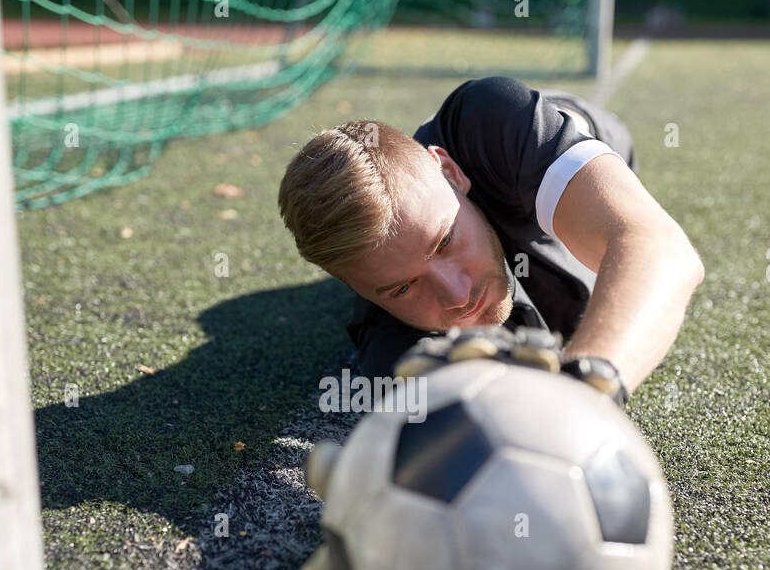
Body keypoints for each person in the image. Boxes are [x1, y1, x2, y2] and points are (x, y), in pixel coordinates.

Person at [277, 75, 704, 406]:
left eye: (444, 241)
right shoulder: (392, 348)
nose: (458, 295)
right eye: (403, 287)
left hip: (553, 130)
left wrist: (586, 391)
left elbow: (661, 250)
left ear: (450, 172)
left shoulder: (494, 124)